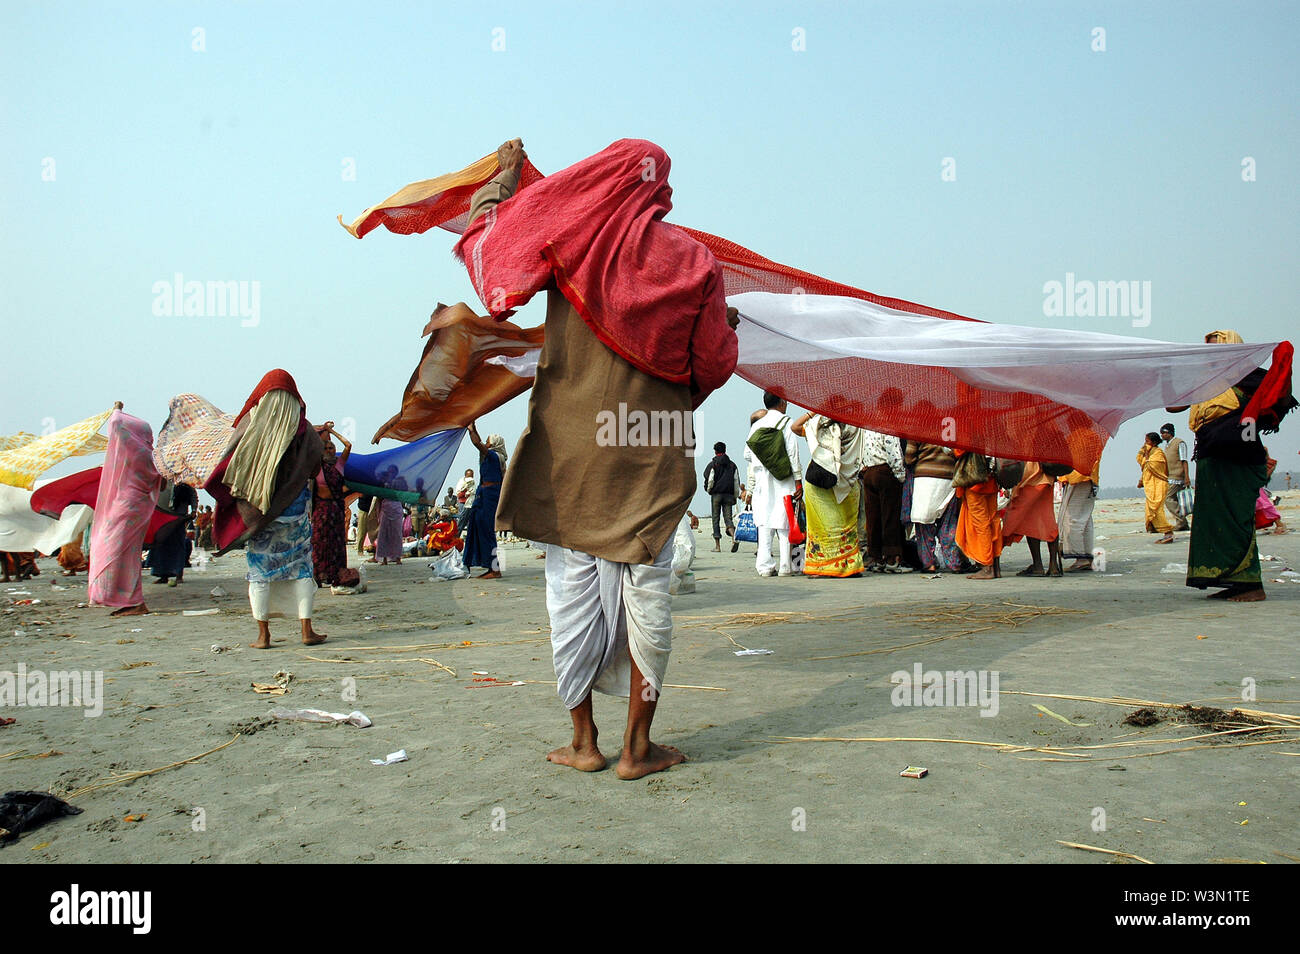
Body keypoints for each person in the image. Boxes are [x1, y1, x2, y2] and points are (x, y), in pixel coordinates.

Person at [462, 138, 736, 779]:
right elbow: (715, 363)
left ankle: (584, 743)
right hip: (652, 448)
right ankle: (638, 750)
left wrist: (500, 186)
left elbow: (494, 258)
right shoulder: (694, 261)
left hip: (572, 452)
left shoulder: (572, 243)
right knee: (649, 600)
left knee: (570, 595)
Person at [1172, 329, 1296, 601]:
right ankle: (1232, 580)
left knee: (1235, 519)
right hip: (1210, 457)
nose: (1212, 355)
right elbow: (1173, 406)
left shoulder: (1248, 378)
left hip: (1236, 458)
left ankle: (1252, 585)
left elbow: (1279, 396)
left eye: (1218, 349)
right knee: (1214, 521)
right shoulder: (1206, 382)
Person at [222, 371, 327, 649]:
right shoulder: (305, 433)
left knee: (259, 571)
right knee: (302, 569)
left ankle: (263, 636)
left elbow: (227, 461)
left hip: (260, 512)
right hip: (295, 512)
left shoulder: (252, 426)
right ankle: (306, 631)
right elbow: (316, 467)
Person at [88, 404, 158, 617]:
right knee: (127, 553)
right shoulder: (150, 454)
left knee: (111, 549)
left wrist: (117, 411)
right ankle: (130, 598)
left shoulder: (136, 451)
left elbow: (118, 426)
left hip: (127, 506)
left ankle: (130, 599)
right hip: (137, 506)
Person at [793, 412, 865, 577]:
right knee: (847, 527)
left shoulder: (818, 426)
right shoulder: (856, 427)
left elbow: (795, 427)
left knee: (822, 526)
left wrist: (812, 413)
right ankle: (849, 566)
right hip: (848, 481)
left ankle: (823, 566)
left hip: (821, 479)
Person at [744, 391, 802, 577]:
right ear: (783, 402)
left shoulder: (757, 425)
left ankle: (765, 567)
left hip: (762, 480)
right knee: (785, 522)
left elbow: (747, 454)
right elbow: (793, 454)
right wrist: (799, 480)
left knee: (764, 524)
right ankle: (787, 566)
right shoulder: (786, 422)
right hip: (783, 478)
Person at [903, 441, 964, 572]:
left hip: (925, 480)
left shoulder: (920, 424)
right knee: (948, 525)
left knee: (924, 526)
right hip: (949, 478)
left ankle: (929, 564)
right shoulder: (953, 422)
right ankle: (954, 563)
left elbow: (909, 457)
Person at [859, 427, 908, 572]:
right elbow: (893, 452)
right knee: (890, 516)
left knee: (873, 518)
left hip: (869, 472)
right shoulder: (887, 427)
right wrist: (900, 476)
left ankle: (876, 557)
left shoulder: (865, 427)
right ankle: (892, 558)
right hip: (885, 471)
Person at [1001, 462, 1063, 576]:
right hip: (1046, 476)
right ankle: (1053, 565)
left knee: (1029, 521)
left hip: (1029, 478)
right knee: (1047, 518)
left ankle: (1038, 565)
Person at [311, 422, 351, 586]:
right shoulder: (316, 467)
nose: (329, 451)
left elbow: (348, 445)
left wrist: (332, 432)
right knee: (320, 543)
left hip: (336, 510)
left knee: (336, 543)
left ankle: (336, 574)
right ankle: (320, 575)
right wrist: (322, 429)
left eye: (331, 448)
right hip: (321, 510)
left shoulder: (339, 465)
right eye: (326, 449)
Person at [464, 423, 506, 579]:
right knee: (480, 529)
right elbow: (479, 441)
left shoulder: (494, 457)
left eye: (489, 441)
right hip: (484, 495)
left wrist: (470, 430)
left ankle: (495, 569)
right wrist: (473, 427)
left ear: (494, 444)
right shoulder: (492, 457)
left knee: (487, 532)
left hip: (489, 496)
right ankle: (491, 567)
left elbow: (477, 443)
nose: (486, 443)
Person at [954, 450, 1002, 579]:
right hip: (991, 481)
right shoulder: (991, 431)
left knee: (981, 524)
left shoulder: (970, 431)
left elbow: (959, 451)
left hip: (975, 481)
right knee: (993, 521)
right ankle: (995, 566)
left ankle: (987, 566)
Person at [147, 480, 197, 586]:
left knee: (178, 545)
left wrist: (193, 510)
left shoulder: (186, 480)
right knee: (160, 545)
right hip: (162, 515)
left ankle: (179, 574)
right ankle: (162, 575)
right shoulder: (161, 476)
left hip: (179, 516)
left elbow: (193, 495)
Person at [1057, 456, 1101, 571]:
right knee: (1084, 520)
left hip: (1079, 477)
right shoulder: (1092, 440)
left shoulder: (1081, 440)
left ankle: (1081, 559)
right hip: (1084, 477)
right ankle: (1086, 557)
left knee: (1072, 518)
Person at [702, 441, 741, 552]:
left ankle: (718, 546)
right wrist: (735, 496)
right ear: (725, 450)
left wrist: (709, 490)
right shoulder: (732, 465)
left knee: (715, 519)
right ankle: (734, 538)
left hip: (717, 495)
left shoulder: (713, 464)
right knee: (728, 518)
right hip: (728, 495)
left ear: (715, 451)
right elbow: (736, 481)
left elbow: (710, 479)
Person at [1137, 433, 1175, 544]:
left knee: (1157, 508)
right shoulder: (1149, 453)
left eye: (1147, 441)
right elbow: (1143, 465)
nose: (1145, 444)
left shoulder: (1158, 453)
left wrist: (1147, 459)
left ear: (1153, 443)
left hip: (1159, 484)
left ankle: (1168, 532)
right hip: (1150, 485)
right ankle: (1158, 529)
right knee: (1150, 508)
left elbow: (1153, 466)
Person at [1160, 423, 1191, 531]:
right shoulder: (1167, 445)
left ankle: (1181, 521)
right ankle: (1182, 524)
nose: (1162, 435)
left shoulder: (1179, 443)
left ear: (1169, 433)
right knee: (1175, 500)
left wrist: (1187, 477)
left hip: (1178, 477)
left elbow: (1184, 460)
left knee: (1168, 499)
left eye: (1164, 433)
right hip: (1170, 476)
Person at [373, 467, 405, 566]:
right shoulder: (382, 483)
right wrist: (378, 512)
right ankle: (384, 559)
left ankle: (398, 557)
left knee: (397, 535)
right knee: (384, 535)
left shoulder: (400, 482)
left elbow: (403, 495)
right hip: (386, 509)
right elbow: (379, 497)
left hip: (396, 509)